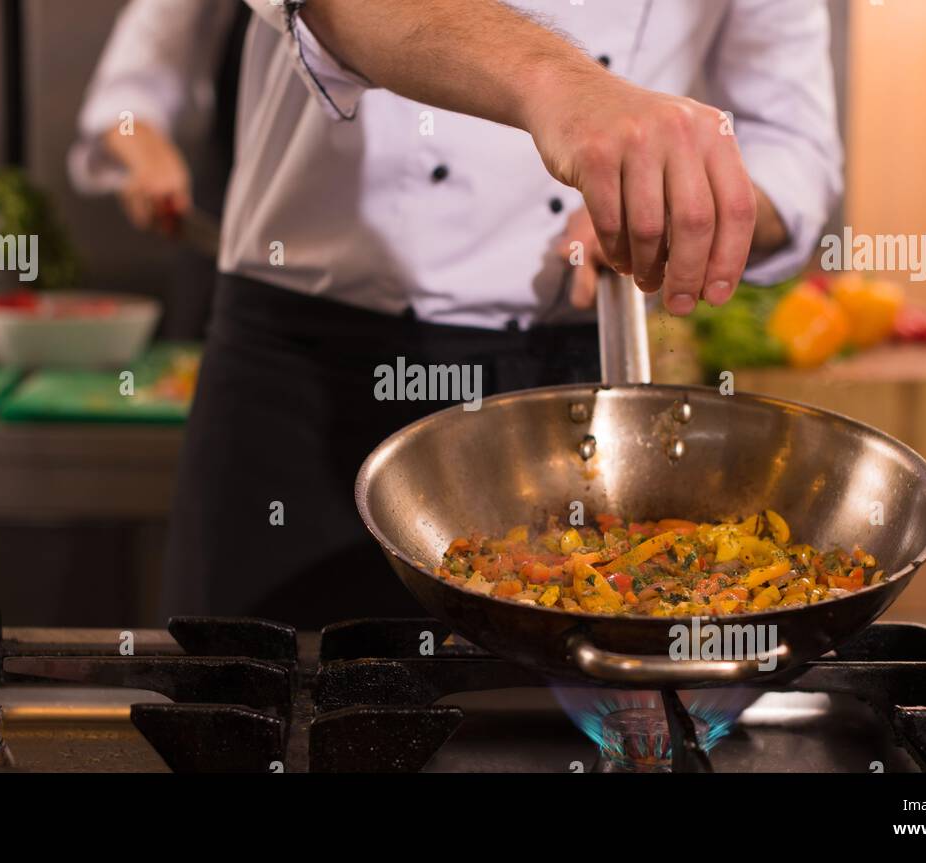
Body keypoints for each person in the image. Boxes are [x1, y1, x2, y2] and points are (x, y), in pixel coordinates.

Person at [71, 0, 842, 627]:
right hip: (298, 381)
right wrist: (563, 87)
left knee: (536, 739)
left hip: (564, 392)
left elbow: (794, 150)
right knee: (241, 714)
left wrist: (678, 206)